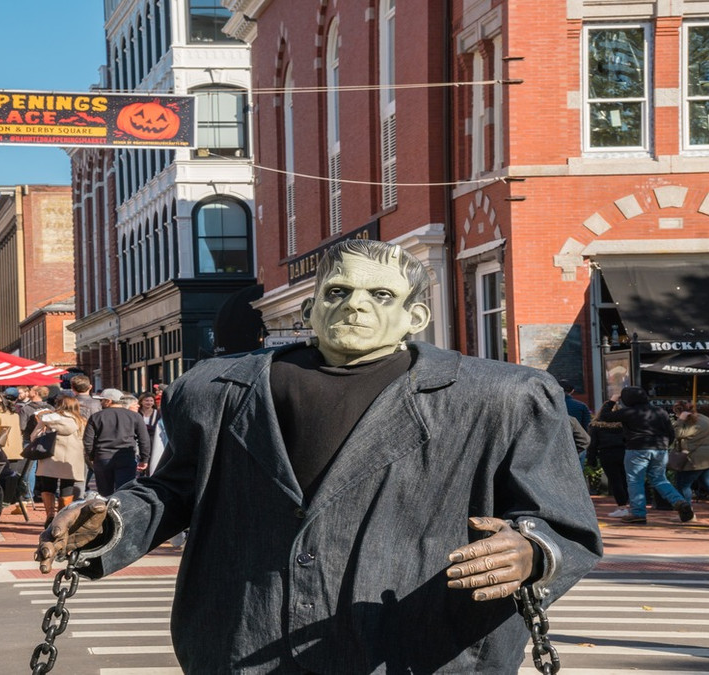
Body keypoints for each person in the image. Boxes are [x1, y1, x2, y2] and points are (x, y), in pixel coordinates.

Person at [37, 239, 602, 672]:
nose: (354, 305)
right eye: (338, 291)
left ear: (416, 317)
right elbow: (175, 489)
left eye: (380, 295)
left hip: (416, 644)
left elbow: (564, 525)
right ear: (312, 307)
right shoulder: (216, 387)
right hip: (242, 641)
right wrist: (113, 519)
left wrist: (532, 551)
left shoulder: (502, 396)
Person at [598, 387, 693, 525]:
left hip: (637, 448)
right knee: (660, 479)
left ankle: (638, 513)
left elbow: (604, 417)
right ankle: (680, 501)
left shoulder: (628, 412)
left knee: (635, 480)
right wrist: (665, 446)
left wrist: (612, 401)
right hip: (660, 449)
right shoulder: (660, 411)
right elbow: (671, 432)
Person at [28, 395, 88, 527]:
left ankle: (50, 514)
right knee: (67, 487)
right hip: (72, 460)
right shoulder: (81, 421)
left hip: (50, 456)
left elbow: (33, 436)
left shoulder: (47, 419)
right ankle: (61, 518)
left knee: (48, 486)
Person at [82, 388, 150, 496]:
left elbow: (87, 441)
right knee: (124, 492)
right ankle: (123, 512)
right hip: (126, 457)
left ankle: (107, 512)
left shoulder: (96, 417)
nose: (100, 403)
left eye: (102, 400)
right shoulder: (135, 416)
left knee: (105, 493)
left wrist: (92, 456)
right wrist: (144, 458)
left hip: (103, 457)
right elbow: (144, 439)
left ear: (109, 401)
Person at [588, 408, 630, 517]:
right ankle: (627, 504)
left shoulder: (596, 426)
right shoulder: (624, 425)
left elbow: (593, 444)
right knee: (625, 479)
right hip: (623, 452)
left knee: (615, 481)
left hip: (606, 453)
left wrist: (591, 460)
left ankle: (621, 506)